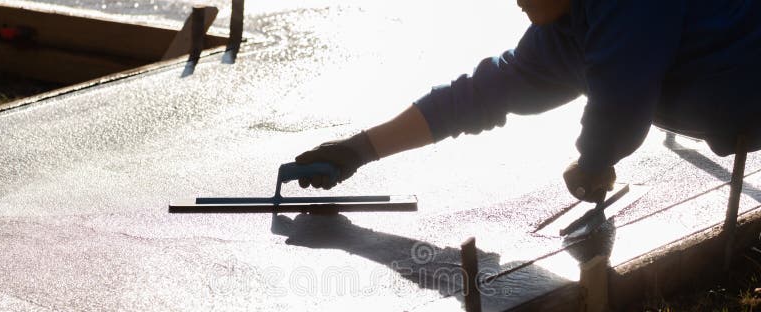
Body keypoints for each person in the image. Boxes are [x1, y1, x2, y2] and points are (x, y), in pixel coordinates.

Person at [293, 0, 761, 203]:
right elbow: (478, 96)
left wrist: (594, 162)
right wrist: (358, 149)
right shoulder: (562, 34)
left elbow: (622, 99)